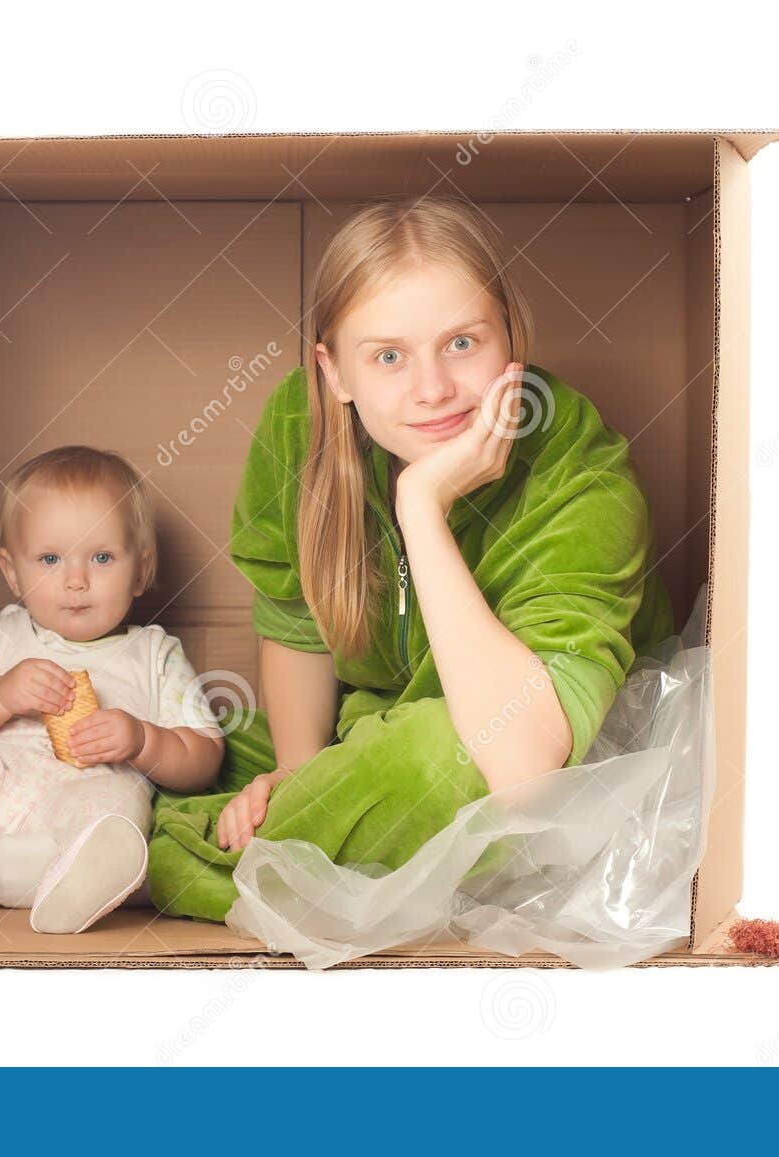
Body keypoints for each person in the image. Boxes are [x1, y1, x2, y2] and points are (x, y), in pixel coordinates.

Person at [147, 197, 674, 923]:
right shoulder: (300, 427)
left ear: (511, 336)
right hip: (367, 720)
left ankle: (178, 861)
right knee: (198, 742)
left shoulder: (582, 469)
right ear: (333, 372)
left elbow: (522, 766)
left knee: (440, 757)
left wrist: (421, 506)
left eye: (462, 343)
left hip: (533, 738)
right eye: (388, 356)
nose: (432, 389)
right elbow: (295, 622)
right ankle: (216, 827)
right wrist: (297, 771)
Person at [0, 446, 224, 934]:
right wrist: (0, 695)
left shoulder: (154, 654)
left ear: (141, 570)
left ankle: (78, 890)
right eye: (50, 558)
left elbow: (205, 756)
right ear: (12, 571)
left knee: (114, 797)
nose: (76, 581)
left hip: (66, 841)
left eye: (102, 557)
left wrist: (143, 740)